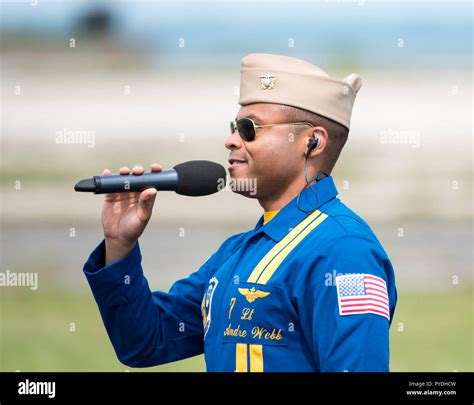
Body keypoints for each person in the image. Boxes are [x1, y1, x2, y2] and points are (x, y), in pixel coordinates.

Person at [83, 53, 397, 372]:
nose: (231, 140)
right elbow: (145, 342)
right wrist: (119, 245)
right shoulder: (238, 252)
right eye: (234, 127)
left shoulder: (344, 251)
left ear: (312, 142)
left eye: (250, 129)